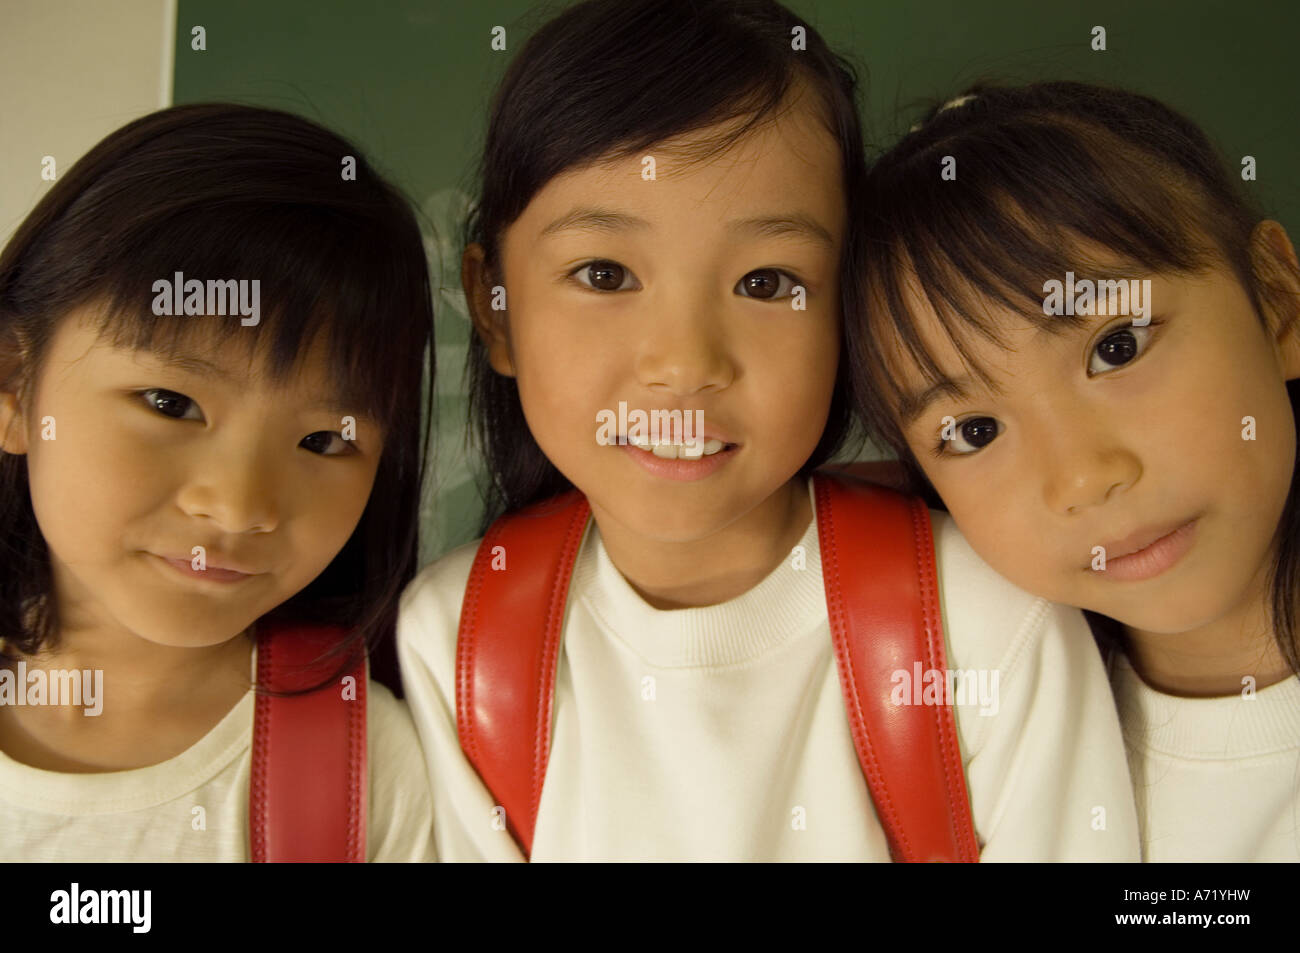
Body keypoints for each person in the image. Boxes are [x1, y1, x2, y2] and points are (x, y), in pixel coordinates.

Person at [398, 0, 1138, 861]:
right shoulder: (458, 642)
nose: (684, 361)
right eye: (604, 273)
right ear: (495, 309)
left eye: (766, 282)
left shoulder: (984, 620)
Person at [853, 80, 1300, 861]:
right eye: (974, 430)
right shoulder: (978, 766)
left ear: (1279, 300)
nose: (1083, 477)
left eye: (1117, 347)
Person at [0, 103, 436, 861]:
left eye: (325, 440)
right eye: (172, 404)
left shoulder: (373, 777)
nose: (240, 506)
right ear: (12, 383)